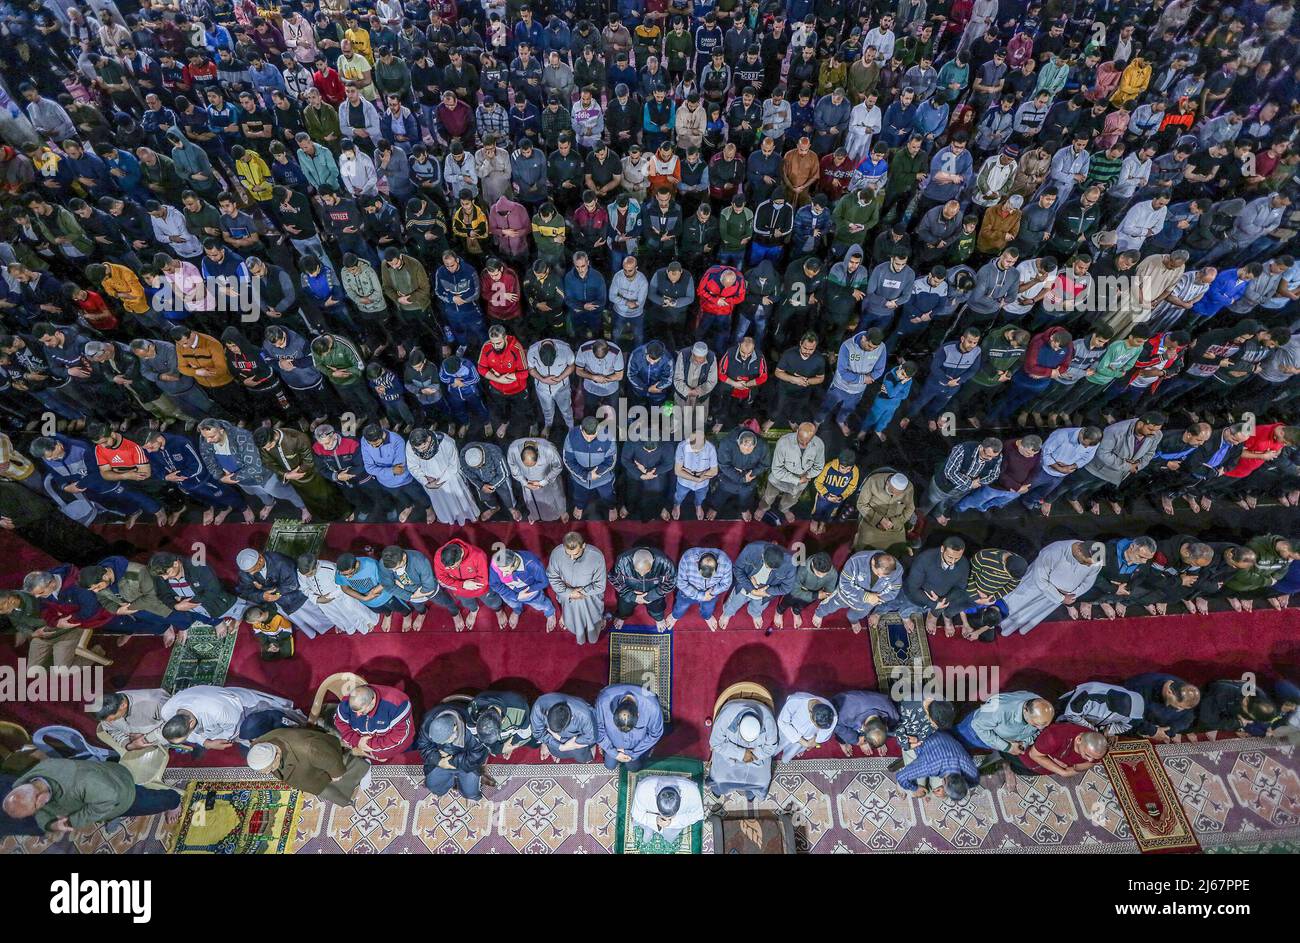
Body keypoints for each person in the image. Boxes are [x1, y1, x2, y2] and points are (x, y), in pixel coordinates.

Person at [4, 758, 181, 834]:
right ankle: (112, 814)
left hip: (121, 790)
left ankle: (174, 801)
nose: (37, 813)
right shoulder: (26, 785)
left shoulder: (82, 781)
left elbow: (110, 798)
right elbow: (40, 812)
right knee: (97, 805)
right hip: (97, 790)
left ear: (41, 798)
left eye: (36, 809)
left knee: (152, 802)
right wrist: (51, 825)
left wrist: (72, 822)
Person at [159, 684, 306, 753]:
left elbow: (232, 731)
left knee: (250, 731)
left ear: (191, 723)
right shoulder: (167, 711)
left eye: (186, 737)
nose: (189, 740)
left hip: (241, 709)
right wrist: (205, 742)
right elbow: (193, 735)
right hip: (222, 710)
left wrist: (212, 742)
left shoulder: (217, 711)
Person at [1000, 541, 1105, 636]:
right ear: (1079, 550)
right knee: (1013, 607)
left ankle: (1010, 629)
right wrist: (1060, 597)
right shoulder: (1053, 551)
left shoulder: (1097, 558)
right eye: (1085, 562)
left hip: (1058, 598)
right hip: (1034, 589)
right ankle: (994, 622)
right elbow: (1040, 579)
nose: (1088, 566)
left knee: (1031, 614)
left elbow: (1088, 582)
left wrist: (1072, 594)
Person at [247, 727, 371, 806]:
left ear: (277, 755)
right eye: (263, 771)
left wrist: (336, 773)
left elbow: (330, 758)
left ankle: (364, 768)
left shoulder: (307, 748)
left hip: (320, 758)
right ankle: (348, 799)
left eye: (269, 768)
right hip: (308, 775)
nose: (267, 773)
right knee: (329, 792)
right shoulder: (257, 747)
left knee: (345, 772)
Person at [813, 550, 902, 633]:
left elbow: (893, 592)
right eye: (878, 574)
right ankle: (819, 613)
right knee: (831, 605)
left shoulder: (897, 570)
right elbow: (844, 584)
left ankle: (853, 620)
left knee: (855, 615)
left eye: (884, 576)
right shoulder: (856, 560)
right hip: (845, 596)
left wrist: (877, 599)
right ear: (873, 562)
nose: (880, 577)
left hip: (866, 605)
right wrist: (866, 596)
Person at [707, 696, 779, 799]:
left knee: (762, 781)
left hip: (756, 756)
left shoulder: (768, 722)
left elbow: (771, 748)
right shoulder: (726, 717)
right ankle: (718, 789)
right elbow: (715, 743)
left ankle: (752, 792)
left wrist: (753, 755)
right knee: (719, 777)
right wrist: (741, 753)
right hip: (730, 752)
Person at [416, 703, 492, 799]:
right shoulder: (427, 724)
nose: (442, 744)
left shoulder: (474, 729)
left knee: (470, 793)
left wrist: (451, 761)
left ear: (455, 727)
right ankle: (445, 787)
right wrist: (438, 760)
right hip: (442, 760)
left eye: (446, 740)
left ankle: (470, 793)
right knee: (433, 786)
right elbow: (423, 746)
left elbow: (477, 756)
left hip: (466, 763)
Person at [546, 532, 608, 645]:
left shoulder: (596, 556)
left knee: (593, 619)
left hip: (589, 597)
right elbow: (552, 577)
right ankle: (566, 617)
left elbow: (600, 585)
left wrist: (581, 592)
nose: (571, 558)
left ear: (583, 545)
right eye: (568, 553)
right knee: (570, 616)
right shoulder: (557, 553)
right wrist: (569, 592)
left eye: (575, 554)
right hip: (567, 596)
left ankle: (598, 622)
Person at [721, 542, 796, 632]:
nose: (769, 570)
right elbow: (737, 569)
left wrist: (767, 591)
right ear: (762, 555)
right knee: (735, 602)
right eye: (767, 566)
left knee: (758, 607)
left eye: (773, 569)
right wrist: (751, 589)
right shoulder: (751, 549)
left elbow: (786, 588)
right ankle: (727, 613)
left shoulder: (790, 563)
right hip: (744, 585)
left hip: (765, 594)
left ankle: (755, 613)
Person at [435, 538, 507, 631]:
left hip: (480, 590)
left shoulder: (478, 555)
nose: (449, 569)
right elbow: (441, 578)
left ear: (461, 556)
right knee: (467, 604)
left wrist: (455, 583)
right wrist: (463, 584)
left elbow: (483, 581)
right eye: (447, 568)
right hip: (460, 591)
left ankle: (498, 611)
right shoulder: (439, 555)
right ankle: (474, 610)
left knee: (494, 603)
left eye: (452, 567)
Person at [954, 692, 1054, 759]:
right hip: (972, 732)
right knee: (955, 742)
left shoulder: (1040, 706)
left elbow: (1036, 731)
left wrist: (1024, 743)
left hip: (994, 738)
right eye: (1035, 725)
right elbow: (976, 724)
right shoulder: (999, 709)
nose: (1040, 729)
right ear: (1025, 710)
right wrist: (1008, 747)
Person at [333, 683, 415, 763]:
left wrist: (369, 744)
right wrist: (357, 741)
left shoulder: (397, 705)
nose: (357, 715)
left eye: (362, 711)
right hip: (369, 751)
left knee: (410, 765)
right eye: (355, 711)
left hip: (398, 749)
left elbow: (399, 735)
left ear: (373, 701)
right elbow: (340, 722)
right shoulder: (348, 702)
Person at [594, 683, 664, 771]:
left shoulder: (652, 708)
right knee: (609, 766)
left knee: (634, 768)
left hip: (636, 747)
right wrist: (613, 752)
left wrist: (633, 753)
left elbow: (655, 734)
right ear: (614, 712)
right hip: (613, 744)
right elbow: (598, 728)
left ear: (638, 715)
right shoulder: (603, 702)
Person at [894, 732, 979, 801]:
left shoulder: (973, 773)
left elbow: (972, 783)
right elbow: (901, 777)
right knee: (913, 789)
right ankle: (903, 785)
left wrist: (944, 789)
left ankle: (927, 790)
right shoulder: (929, 766)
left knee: (940, 794)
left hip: (943, 741)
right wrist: (915, 788)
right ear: (944, 781)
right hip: (918, 740)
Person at [610, 547, 676, 632]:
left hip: (653, 590)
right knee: (624, 606)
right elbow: (613, 578)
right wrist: (631, 595)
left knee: (657, 608)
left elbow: (671, 581)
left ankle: (658, 619)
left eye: (646, 571)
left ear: (653, 562)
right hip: (631, 589)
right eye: (638, 571)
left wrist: (651, 596)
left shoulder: (665, 562)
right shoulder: (623, 561)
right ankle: (622, 616)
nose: (642, 574)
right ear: (632, 562)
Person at [489, 548, 556, 631]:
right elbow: (495, 585)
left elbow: (544, 582)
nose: (503, 575)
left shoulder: (532, 563)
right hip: (509, 594)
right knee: (513, 604)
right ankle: (517, 610)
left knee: (539, 604)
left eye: (506, 571)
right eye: (500, 571)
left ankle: (550, 612)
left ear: (515, 564)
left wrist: (529, 590)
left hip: (529, 592)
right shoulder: (496, 563)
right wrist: (516, 596)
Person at [630, 776, 705, 845]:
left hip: (676, 822)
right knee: (644, 823)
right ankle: (649, 828)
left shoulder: (693, 794)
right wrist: (654, 820)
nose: (665, 819)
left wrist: (673, 822)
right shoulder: (643, 790)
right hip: (651, 814)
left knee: (670, 834)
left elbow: (697, 815)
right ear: (656, 796)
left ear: (681, 797)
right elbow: (636, 814)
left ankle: (667, 835)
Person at [530, 694, 599, 762]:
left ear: (572, 717)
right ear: (547, 712)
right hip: (554, 736)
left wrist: (563, 741)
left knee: (582, 758)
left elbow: (591, 738)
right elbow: (538, 733)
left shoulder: (586, 716)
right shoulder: (539, 706)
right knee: (555, 750)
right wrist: (561, 746)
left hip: (576, 738)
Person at [831, 690, 900, 757]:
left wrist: (879, 737)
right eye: (865, 740)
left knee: (879, 735)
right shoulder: (843, 715)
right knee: (842, 732)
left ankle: (874, 736)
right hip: (839, 707)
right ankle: (843, 742)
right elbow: (837, 726)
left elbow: (892, 724)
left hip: (867, 704)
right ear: (862, 729)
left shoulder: (892, 713)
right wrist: (856, 740)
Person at [776, 692, 837, 761]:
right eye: (816, 726)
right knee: (775, 748)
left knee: (787, 757)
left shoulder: (833, 716)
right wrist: (802, 742)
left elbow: (824, 734)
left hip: (808, 738)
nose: (818, 729)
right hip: (787, 730)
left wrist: (814, 740)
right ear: (810, 713)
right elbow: (783, 722)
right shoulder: (795, 701)